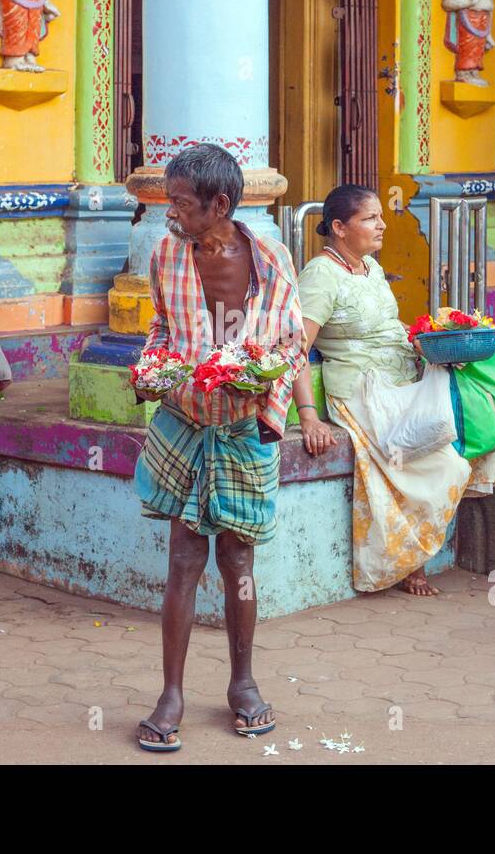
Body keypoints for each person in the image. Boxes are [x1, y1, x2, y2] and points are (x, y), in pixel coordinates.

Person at [132, 143, 306, 750]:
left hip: (243, 428)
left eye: (181, 203)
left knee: (238, 560)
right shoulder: (165, 255)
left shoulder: (269, 259)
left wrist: (266, 388)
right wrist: (154, 363)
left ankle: (243, 684)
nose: (171, 213)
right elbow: (160, 324)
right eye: (169, 201)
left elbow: (292, 344)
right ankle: (171, 694)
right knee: (183, 558)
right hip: (184, 422)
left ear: (221, 204)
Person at [293, 184, 495, 597]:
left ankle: (413, 559)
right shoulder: (321, 274)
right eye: (370, 218)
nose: (382, 224)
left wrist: (424, 339)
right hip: (363, 392)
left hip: (404, 378)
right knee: (444, 467)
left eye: (379, 216)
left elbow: (389, 326)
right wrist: (308, 415)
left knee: (476, 422)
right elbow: (295, 347)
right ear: (339, 227)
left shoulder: (370, 268)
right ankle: (408, 562)